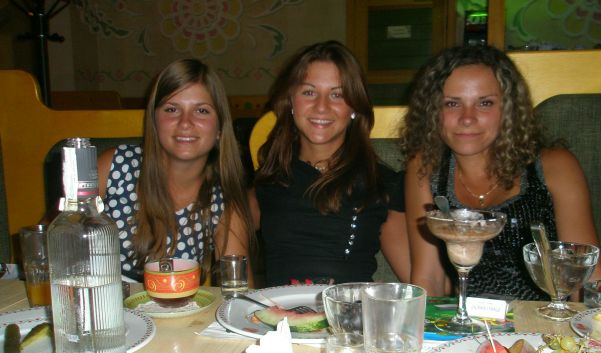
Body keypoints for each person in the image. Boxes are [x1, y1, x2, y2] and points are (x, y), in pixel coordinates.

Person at [401, 45, 601, 300]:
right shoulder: (425, 167)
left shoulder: (554, 166)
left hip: (543, 319)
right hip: (468, 321)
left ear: (508, 109)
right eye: (452, 103)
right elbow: (429, 276)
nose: (467, 118)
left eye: (484, 103)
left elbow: (588, 275)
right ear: (433, 112)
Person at [249, 40, 410, 286]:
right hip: (277, 310)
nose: (321, 107)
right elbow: (227, 235)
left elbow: (420, 284)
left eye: (337, 94)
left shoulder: (381, 184)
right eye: (309, 92)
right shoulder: (269, 180)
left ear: (354, 107)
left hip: (351, 309)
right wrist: (246, 300)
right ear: (291, 101)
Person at [97, 58, 254, 283]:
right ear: (154, 121)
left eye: (202, 110)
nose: (185, 122)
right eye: (172, 109)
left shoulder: (224, 203)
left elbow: (238, 291)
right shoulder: (113, 166)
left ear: (219, 128)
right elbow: (57, 240)